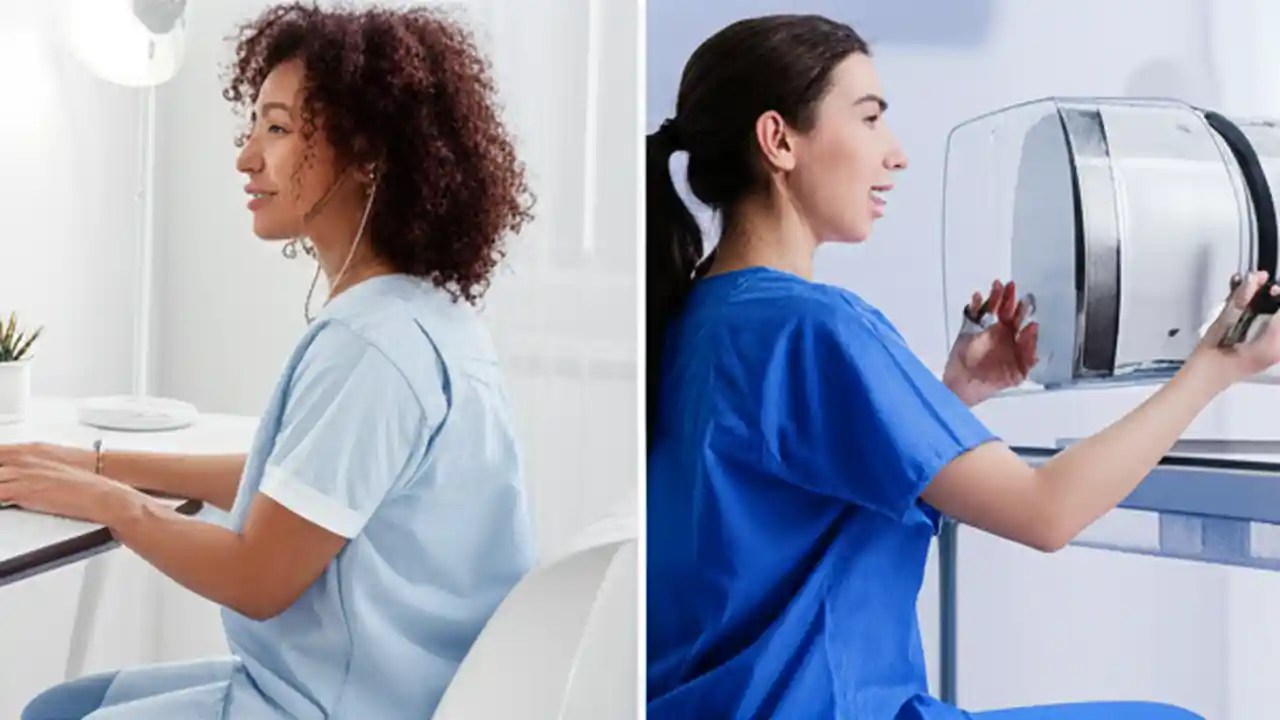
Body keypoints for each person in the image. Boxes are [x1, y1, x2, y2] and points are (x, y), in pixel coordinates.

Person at [645, 13, 1278, 720]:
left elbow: (789, 519)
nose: (896, 154)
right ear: (779, 140)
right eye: (869, 119)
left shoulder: (696, 319)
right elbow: (1047, 513)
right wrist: (1216, 366)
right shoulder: (814, 327)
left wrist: (953, 395)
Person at [9, 4, 535, 718]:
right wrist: (95, 464)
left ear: (367, 151)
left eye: (279, 128)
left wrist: (107, 503)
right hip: (389, 686)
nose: (247, 155)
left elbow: (258, 574)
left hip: (339, 705)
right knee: (59, 708)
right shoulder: (422, 314)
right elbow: (299, 491)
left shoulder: (371, 348)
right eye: (255, 123)